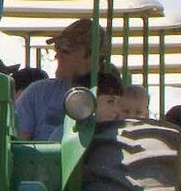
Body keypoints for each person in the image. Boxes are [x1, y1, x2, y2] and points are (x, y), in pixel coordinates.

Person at [15, 17, 143, 138]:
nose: (57, 55)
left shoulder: (115, 96)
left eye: (66, 50)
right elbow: (17, 144)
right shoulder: (38, 93)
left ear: (92, 55)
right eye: (57, 48)